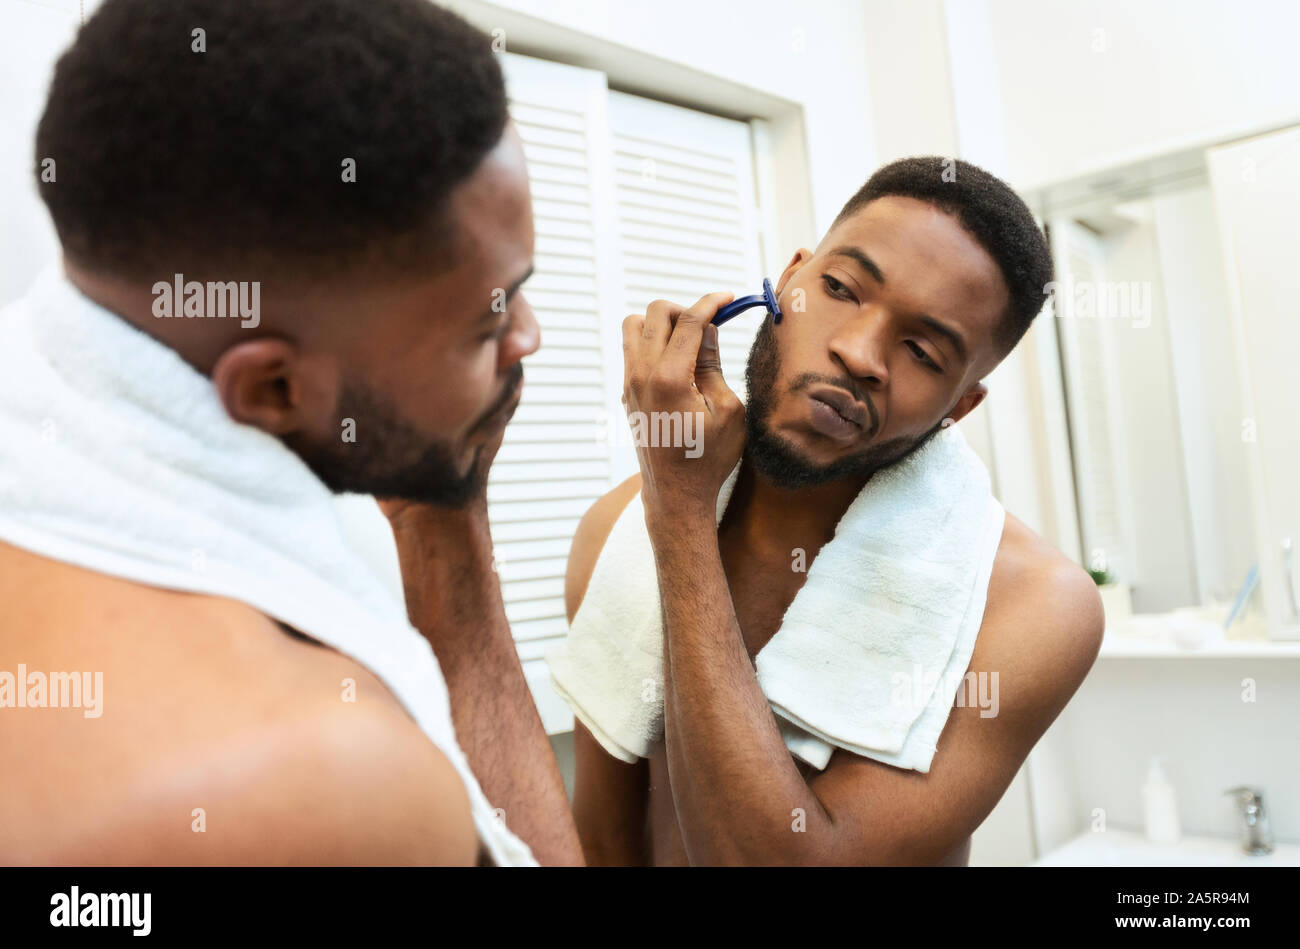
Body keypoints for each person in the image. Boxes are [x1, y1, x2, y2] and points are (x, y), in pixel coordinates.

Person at [0, 0, 581, 866]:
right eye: (485, 323)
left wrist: (447, 509)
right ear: (273, 387)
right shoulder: (326, 779)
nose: (526, 334)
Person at [565, 158, 1106, 865]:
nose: (856, 352)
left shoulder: (1033, 608)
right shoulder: (616, 531)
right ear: (789, 279)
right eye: (841, 289)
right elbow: (606, 842)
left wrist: (680, 517)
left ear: (961, 406)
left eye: (921, 349)